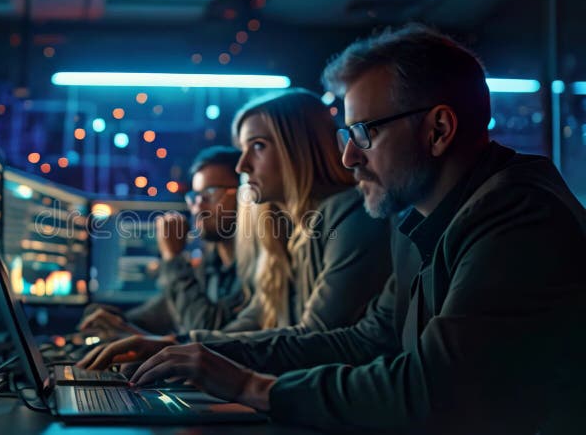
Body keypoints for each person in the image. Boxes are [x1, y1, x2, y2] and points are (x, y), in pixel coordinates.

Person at [81, 25, 586, 433]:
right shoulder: (418, 222)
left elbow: (431, 392)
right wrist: (193, 350)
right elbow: (363, 341)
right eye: (346, 134)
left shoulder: (521, 218)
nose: (348, 156)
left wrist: (251, 388)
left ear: (438, 130)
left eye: (364, 133)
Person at [78, 89, 392, 364]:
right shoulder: (287, 235)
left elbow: (317, 338)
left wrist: (177, 347)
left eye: (257, 146)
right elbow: (252, 322)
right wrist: (171, 347)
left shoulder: (348, 215)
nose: (242, 166)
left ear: (300, 150)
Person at [78, 146, 253, 337]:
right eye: (194, 196)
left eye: (210, 193)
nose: (198, 206)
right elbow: (166, 310)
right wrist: (115, 320)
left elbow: (206, 332)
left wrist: (173, 256)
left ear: (245, 195)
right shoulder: (212, 264)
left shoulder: (254, 268)